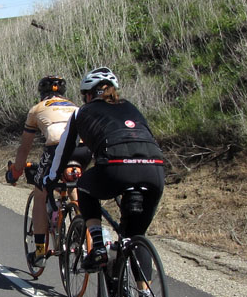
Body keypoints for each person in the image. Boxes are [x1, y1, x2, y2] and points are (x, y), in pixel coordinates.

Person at [46, 67, 166, 275]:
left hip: (116, 167)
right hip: (154, 169)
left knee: (83, 187)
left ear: (88, 95)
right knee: (136, 236)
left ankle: (98, 247)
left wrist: (52, 177)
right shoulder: (131, 107)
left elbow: (64, 150)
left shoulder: (81, 112)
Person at [6, 76, 84, 267]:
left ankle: (40, 253)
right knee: (73, 183)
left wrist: (15, 172)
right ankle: (82, 234)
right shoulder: (75, 107)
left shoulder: (37, 109)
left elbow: (24, 148)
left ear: (41, 93)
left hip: (57, 148)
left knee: (40, 193)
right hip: (83, 150)